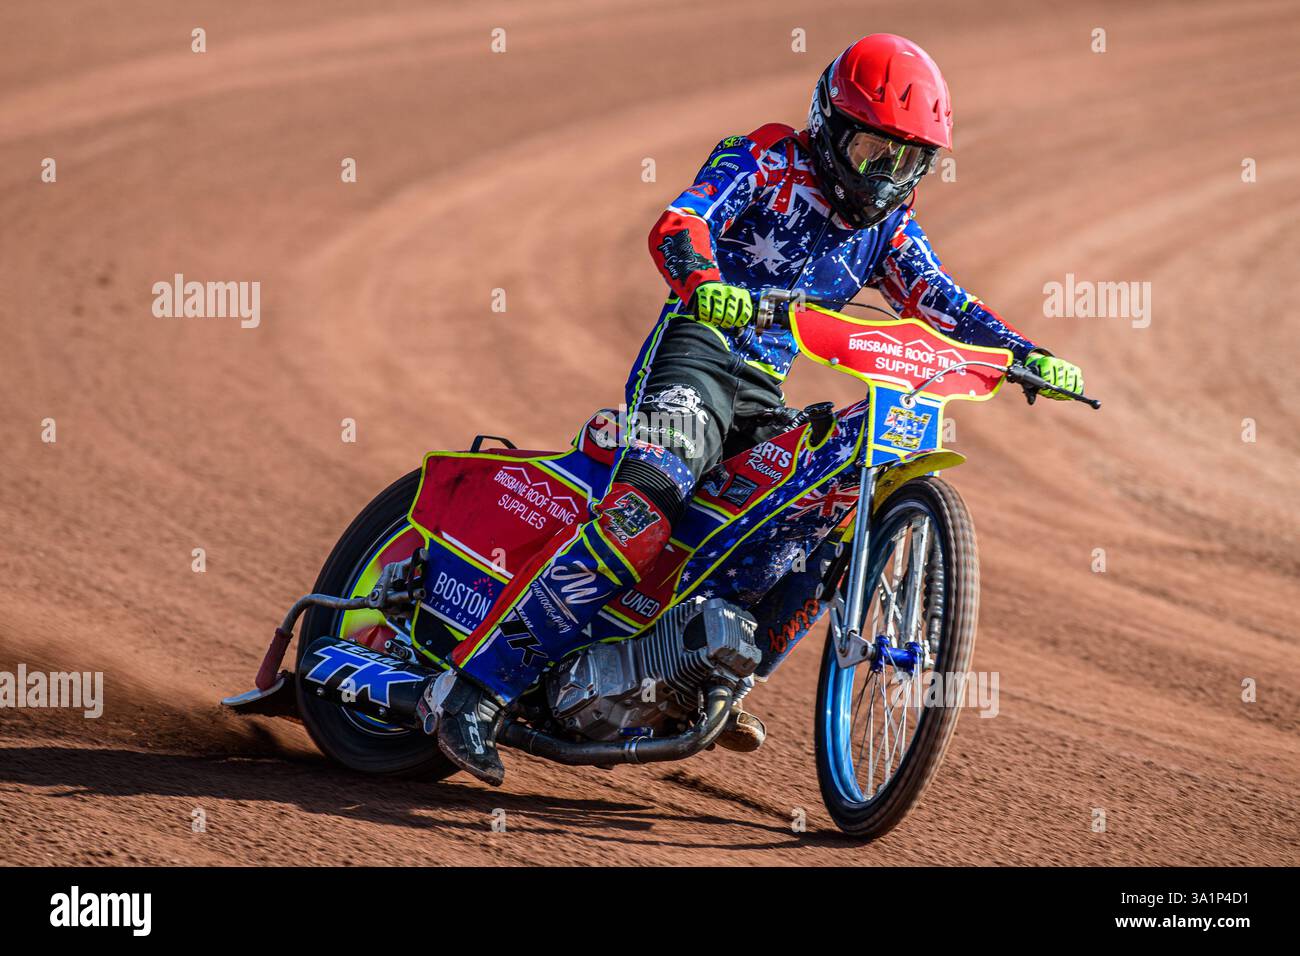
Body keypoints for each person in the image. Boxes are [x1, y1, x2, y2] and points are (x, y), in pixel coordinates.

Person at [420, 33, 1085, 785]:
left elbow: (942, 301)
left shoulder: (888, 230)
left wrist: (1024, 354)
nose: (886, 174)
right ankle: (475, 689)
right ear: (831, 125)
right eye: (873, 150)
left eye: (908, 160)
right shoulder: (764, 158)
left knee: (814, 527)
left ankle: (707, 673)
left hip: (761, 392)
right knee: (645, 510)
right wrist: (704, 279)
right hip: (696, 354)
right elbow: (679, 222)